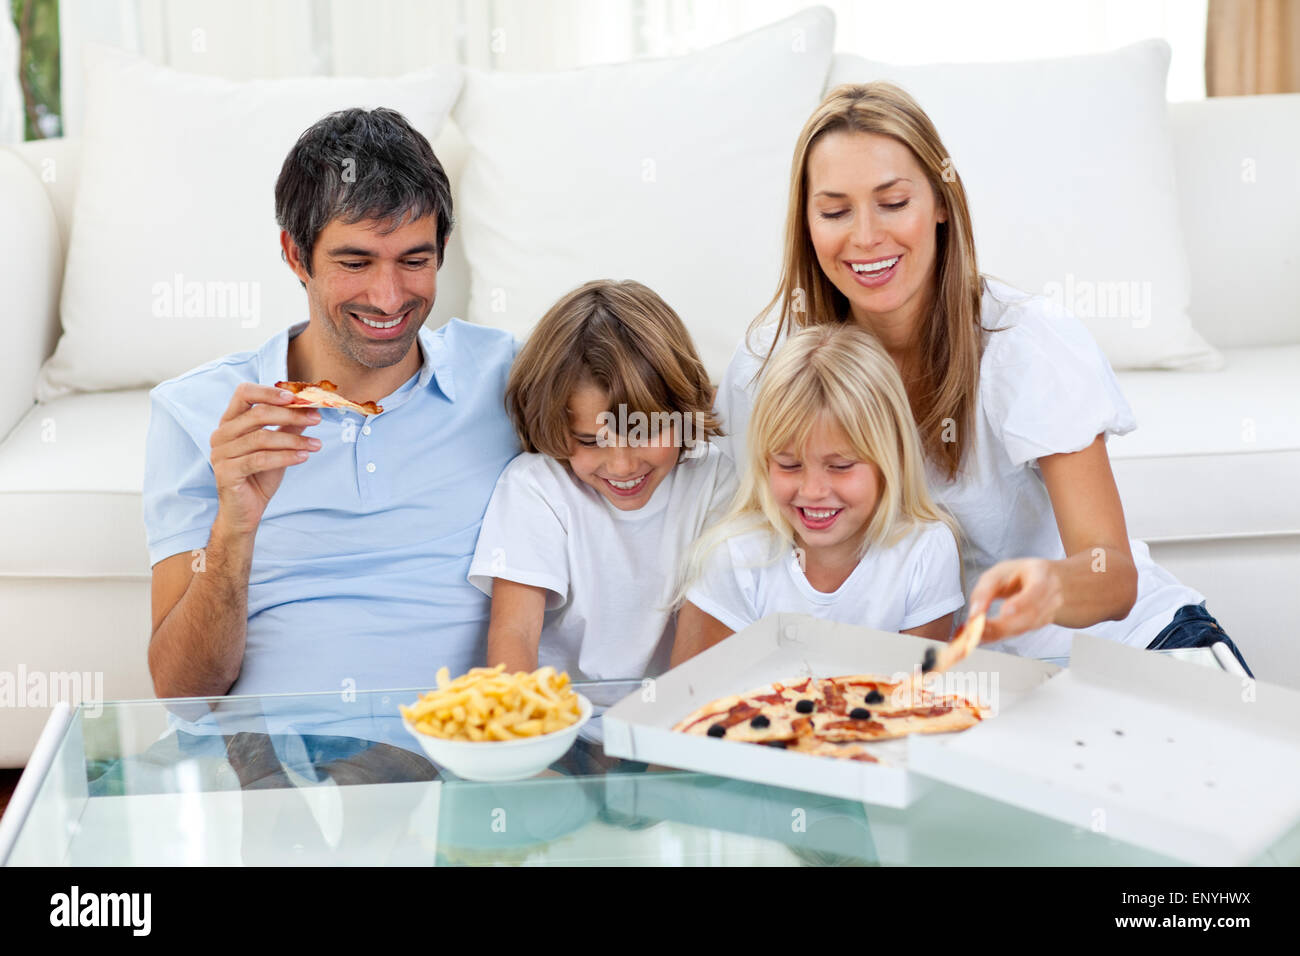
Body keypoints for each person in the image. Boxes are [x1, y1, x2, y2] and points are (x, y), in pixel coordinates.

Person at [715, 82, 1252, 674]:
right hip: (955, 684)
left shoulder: (1023, 343)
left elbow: (1112, 575)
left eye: (894, 203)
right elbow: (745, 541)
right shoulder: (767, 366)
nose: (865, 236)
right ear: (806, 222)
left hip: (1127, 649)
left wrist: (1051, 585)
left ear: (942, 203)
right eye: (835, 211)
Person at [141, 108, 520, 777]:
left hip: (460, 757)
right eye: (355, 261)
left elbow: (659, 423)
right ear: (295, 254)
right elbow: (183, 693)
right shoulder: (198, 411)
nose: (389, 295)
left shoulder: (508, 378)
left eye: (415, 260)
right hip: (275, 763)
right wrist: (235, 526)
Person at [468, 279, 735, 681]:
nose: (622, 466)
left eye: (643, 433)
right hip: (560, 724)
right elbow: (514, 634)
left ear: (681, 412)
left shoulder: (716, 477)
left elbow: (705, 630)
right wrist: (518, 729)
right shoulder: (537, 486)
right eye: (591, 441)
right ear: (556, 429)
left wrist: (670, 734)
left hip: (673, 716)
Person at [671, 324, 964, 664]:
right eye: (789, 465)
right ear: (764, 463)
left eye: (840, 466)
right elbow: (688, 698)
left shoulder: (925, 552)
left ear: (891, 460)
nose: (812, 491)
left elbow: (917, 697)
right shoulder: (735, 559)